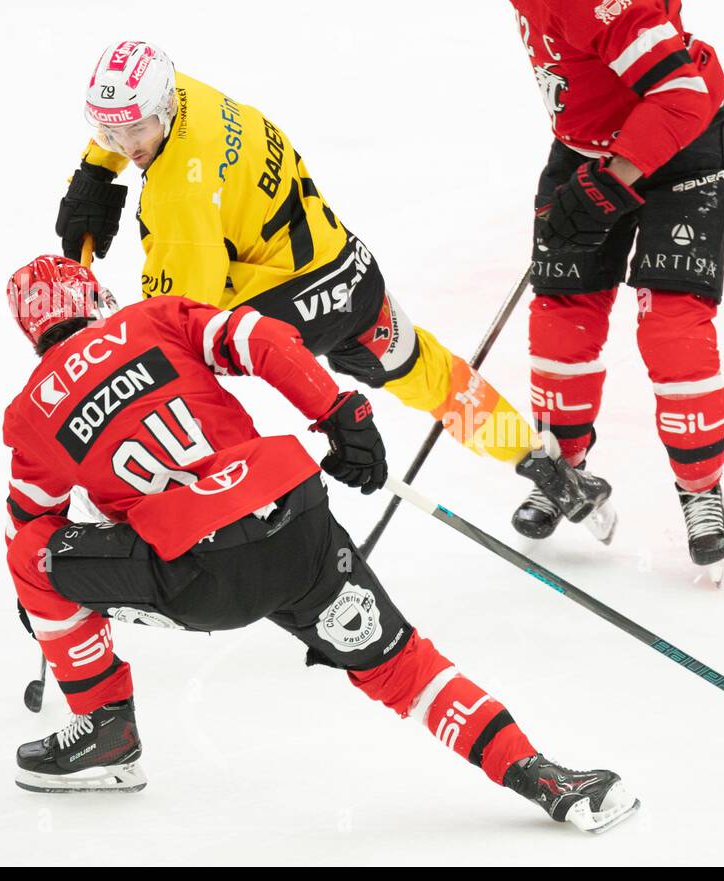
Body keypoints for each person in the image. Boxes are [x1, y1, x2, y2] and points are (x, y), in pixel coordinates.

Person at [0, 254, 638, 834]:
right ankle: (542, 774)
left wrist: (51, 612)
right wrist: (339, 413)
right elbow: (265, 340)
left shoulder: (30, 412)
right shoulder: (154, 318)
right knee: (398, 664)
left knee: (33, 560)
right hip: (294, 522)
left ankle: (108, 731)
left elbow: (28, 523)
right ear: (95, 298)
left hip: (200, 577)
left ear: (33, 334)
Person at [54, 40, 609, 531]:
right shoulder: (187, 93)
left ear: (166, 108)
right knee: (428, 373)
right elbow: (129, 121)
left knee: (170, 371)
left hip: (287, 309)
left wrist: (110, 351)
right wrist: (96, 170)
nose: (125, 143)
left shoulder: (179, 200)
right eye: (109, 131)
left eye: (135, 130)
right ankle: (539, 461)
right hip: (348, 271)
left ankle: (162, 499)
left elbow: (178, 322)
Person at [506, 0, 724, 571]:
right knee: (561, 320)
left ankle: (701, 491)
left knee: (671, 327)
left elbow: (682, 94)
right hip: (586, 147)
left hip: (684, 148)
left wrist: (612, 179)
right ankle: (561, 472)